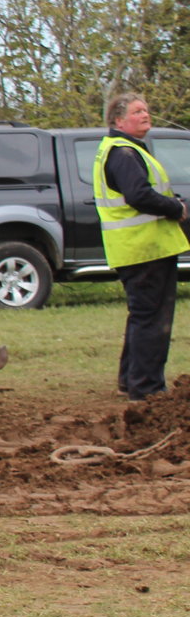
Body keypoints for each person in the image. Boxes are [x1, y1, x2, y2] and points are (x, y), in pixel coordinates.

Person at [93, 92, 189, 399]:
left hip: (137, 249)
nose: (145, 115)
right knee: (152, 319)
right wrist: (175, 208)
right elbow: (139, 195)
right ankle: (146, 388)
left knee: (142, 316)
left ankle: (130, 380)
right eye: (137, 111)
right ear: (118, 120)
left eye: (146, 110)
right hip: (145, 250)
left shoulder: (121, 149)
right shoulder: (123, 153)